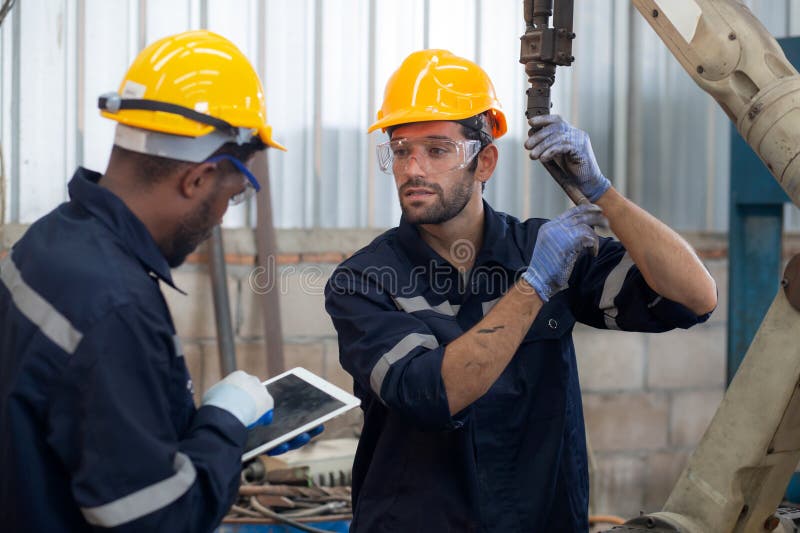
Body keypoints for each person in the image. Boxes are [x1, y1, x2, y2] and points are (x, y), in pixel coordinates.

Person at [324, 49, 718, 532]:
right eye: (400, 150)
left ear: (484, 160)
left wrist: (603, 194)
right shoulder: (364, 280)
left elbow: (694, 298)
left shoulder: (543, 247)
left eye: (436, 149)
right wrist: (533, 286)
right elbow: (431, 394)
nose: (412, 169)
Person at [0, 30, 319, 532]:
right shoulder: (116, 307)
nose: (220, 216)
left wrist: (205, 424)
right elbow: (161, 520)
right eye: (231, 197)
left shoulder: (50, 241)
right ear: (196, 180)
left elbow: (86, 432)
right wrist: (224, 423)